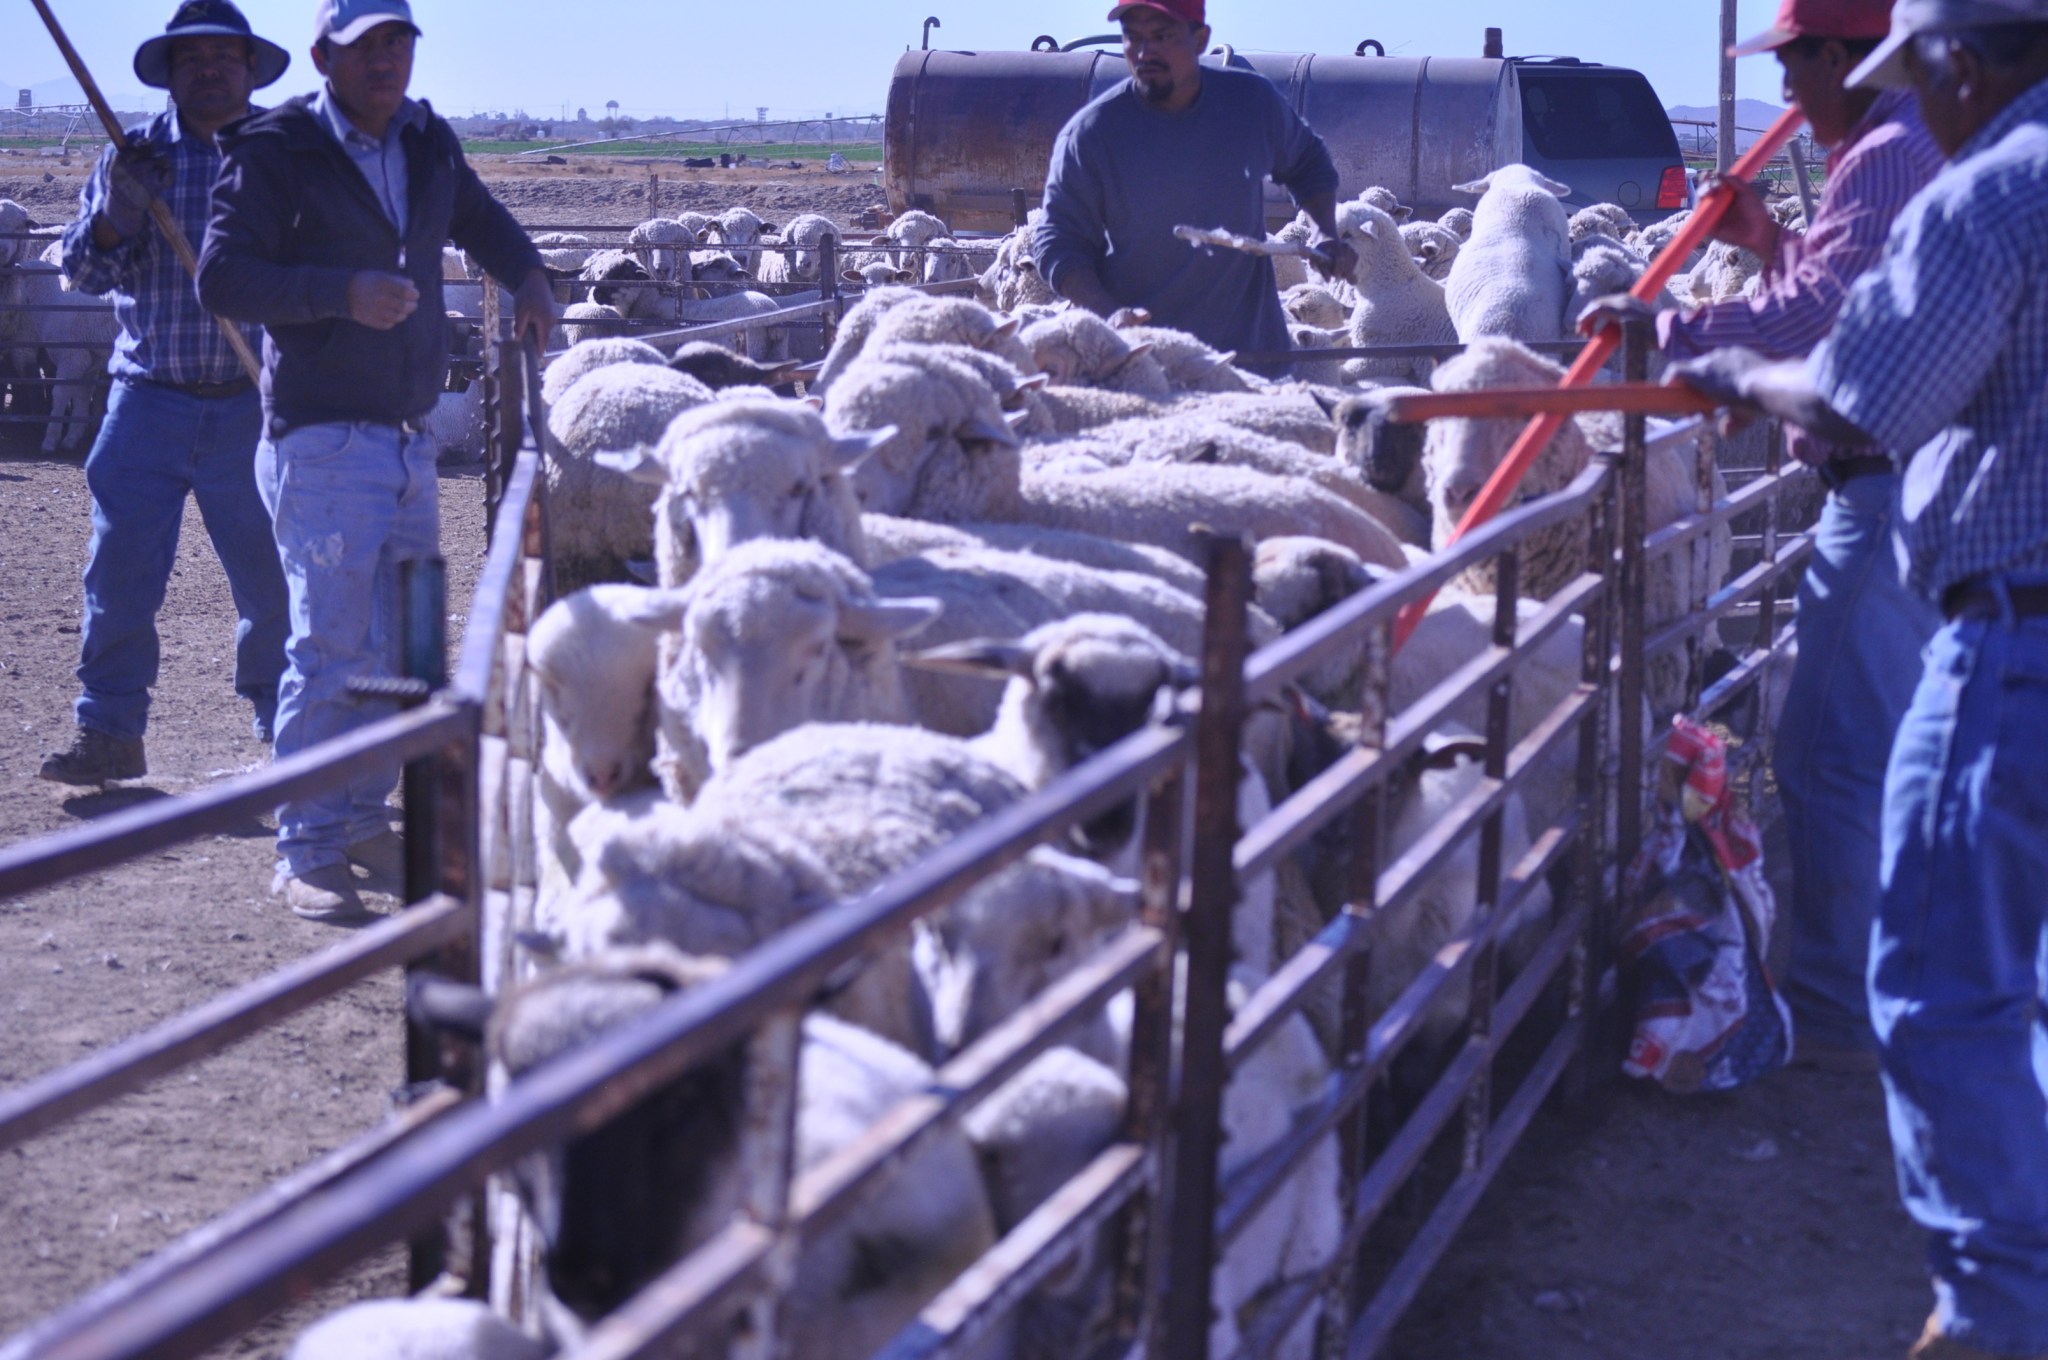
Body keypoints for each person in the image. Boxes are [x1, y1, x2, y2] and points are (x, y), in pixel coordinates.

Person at [1672, 2, 2048, 1353]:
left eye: (1914, 76)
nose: (1911, 105)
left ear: (1966, 62)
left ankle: (2002, 1314)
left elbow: (1854, 398)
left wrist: (1737, 379)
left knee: (1948, 982)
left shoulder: (1989, 187)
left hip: (2016, 625)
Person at [1589, 0, 1946, 1074]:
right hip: (1911, 486)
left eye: (1793, 70)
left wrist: (1664, 333)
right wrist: (1768, 241)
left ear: (1841, 58)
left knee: (1826, 747)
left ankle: (1836, 1007)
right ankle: (1886, 970)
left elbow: (1814, 321)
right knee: (1883, 742)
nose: (1784, 96)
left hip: (1882, 488)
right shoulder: (1906, 148)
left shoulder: (1884, 153)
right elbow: (1857, 292)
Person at [196, 0, 553, 921]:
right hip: (323, 441)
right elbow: (224, 277)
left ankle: (359, 814)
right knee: (329, 647)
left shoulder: (427, 142)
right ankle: (306, 846)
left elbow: (482, 218)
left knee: (415, 648)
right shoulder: (275, 150)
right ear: (323, 58)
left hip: (408, 441)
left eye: (399, 42)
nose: (386, 61)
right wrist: (338, 294)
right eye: (365, 48)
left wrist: (531, 276)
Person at [38, 1, 293, 787]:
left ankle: (285, 726)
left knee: (274, 576)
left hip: (256, 400)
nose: (209, 70)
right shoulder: (132, 157)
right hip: (147, 396)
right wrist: (118, 213)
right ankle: (109, 730)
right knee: (117, 572)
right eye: (193, 59)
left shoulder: (288, 158)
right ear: (171, 73)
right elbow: (82, 272)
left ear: (251, 70)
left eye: (225, 57)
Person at [1032, 0, 1358, 373]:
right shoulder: (1092, 134)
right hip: (1147, 367)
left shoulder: (1250, 104)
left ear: (1201, 39)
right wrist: (1110, 317)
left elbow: (1308, 162)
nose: (1143, 52)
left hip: (1254, 367)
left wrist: (1324, 233)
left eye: (1161, 36)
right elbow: (1058, 242)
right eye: (1132, 37)